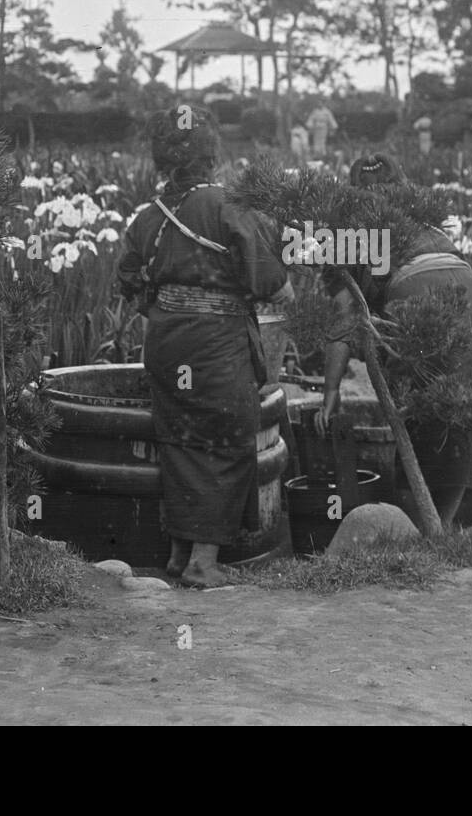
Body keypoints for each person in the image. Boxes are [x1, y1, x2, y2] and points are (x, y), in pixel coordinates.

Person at [117, 108, 292, 588]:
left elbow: (129, 281)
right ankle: (203, 563)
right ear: (212, 155)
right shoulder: (229, 205)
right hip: (218, 346)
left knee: (179, 441)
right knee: (228, 439)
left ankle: (179, 555)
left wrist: (170, 314)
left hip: (167, 344)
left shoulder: (150, 216)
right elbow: (272, 283)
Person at [314, 153, 472, 529]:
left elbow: (344, 316)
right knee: (460, 417)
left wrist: (331, 391)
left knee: (421, 421)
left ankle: (428, 532)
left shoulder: (348, 228)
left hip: (418, 295)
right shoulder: (423, 217)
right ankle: (444, 529)